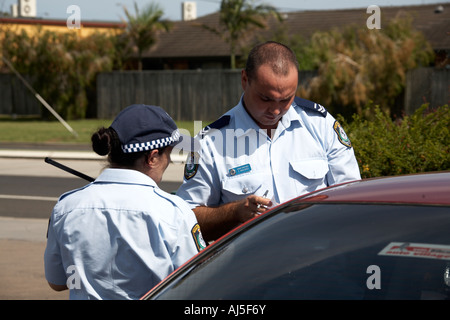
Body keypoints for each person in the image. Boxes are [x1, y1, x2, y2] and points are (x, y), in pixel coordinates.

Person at [176, 41, 361, 241]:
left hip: (318, 258)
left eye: (286, 100)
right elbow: (188, 221)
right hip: (251, 266)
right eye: (265, 99)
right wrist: (235, 212)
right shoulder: (210, 143)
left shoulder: (321, 125)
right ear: (245, 80)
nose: (275, 110)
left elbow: (352, 199)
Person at [44, 104, 205, 300]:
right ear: (152, 157)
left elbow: (57, 282)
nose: (169, 161)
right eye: (168, 154)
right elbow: (196, 282)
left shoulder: (65, 207)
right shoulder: (174, 212)